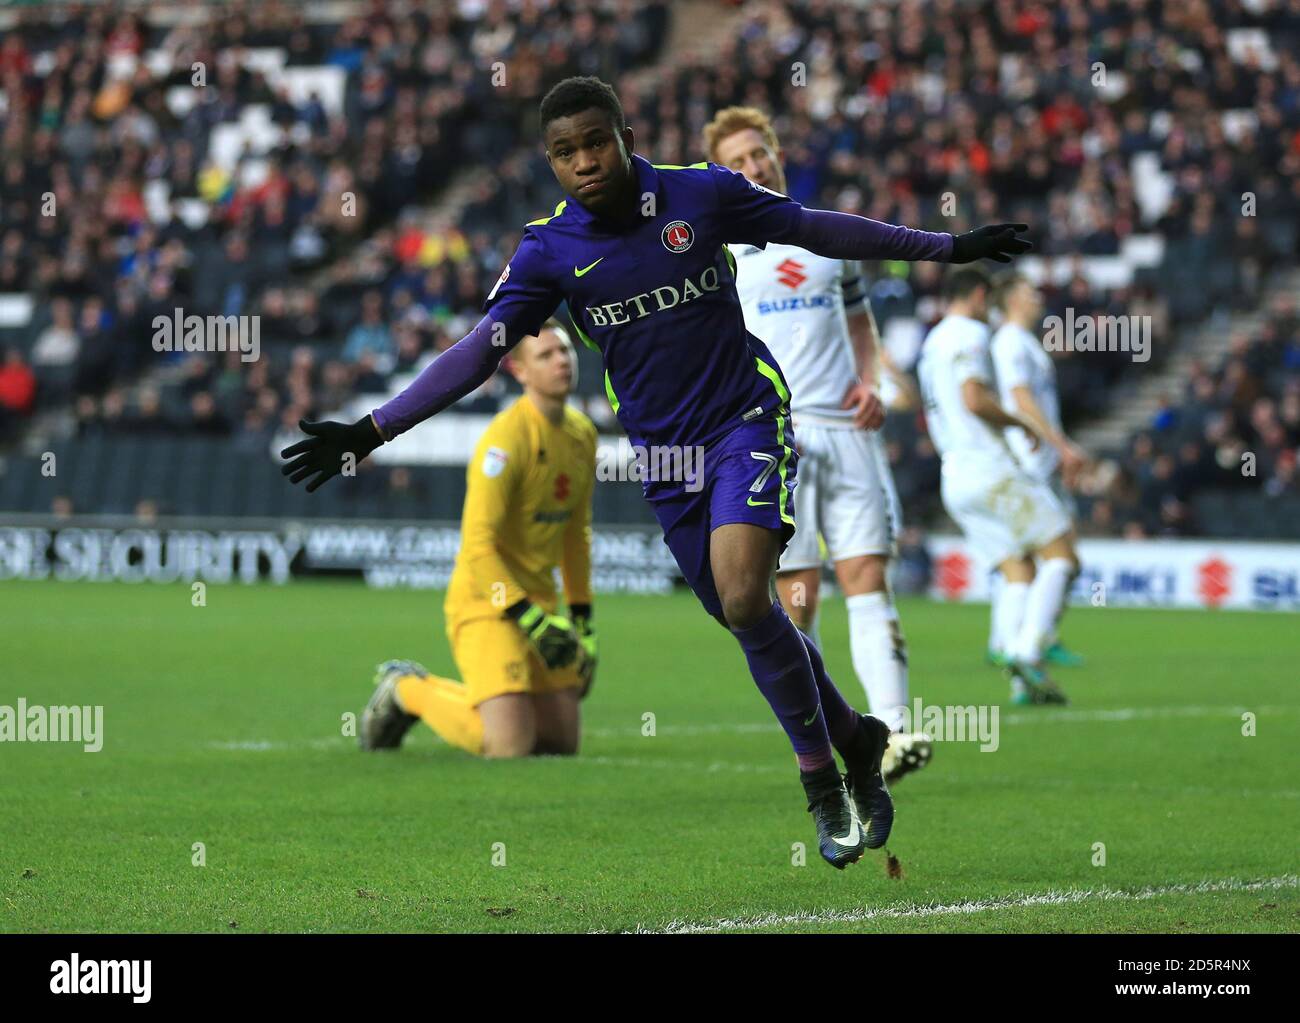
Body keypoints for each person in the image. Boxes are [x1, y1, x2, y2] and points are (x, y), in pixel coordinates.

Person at [282, 76, 1031, 868]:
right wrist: (370, 428)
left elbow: (813, 228)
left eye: (595, 143)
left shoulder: (700, 197)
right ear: (551, 163)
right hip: (667, 459)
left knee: (748, 596)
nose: (584, 163)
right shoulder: (548, 250)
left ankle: (818, 781)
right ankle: (858, 738)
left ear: (626, 137)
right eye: (565, 154)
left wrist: (945, 248)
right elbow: (479, 351)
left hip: (747, 416)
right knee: (754, 621)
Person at [705, 106, 931, 783]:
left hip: (847, 428)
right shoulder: (720, 255)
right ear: (722, 173)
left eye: (759, 152)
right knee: (797, 595)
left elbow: (861, 326)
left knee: (868, 576)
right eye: (737, 161)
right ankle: (829, 737)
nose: (753, 167)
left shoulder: (822, 236)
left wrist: (873, 383)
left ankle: (891, 732)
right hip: (777, 435)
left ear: (776, 153)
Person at [359, 321, 598, 758]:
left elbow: (575, 537)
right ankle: (407, 690)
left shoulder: (583, 434)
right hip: (487, 602)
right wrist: (529, 618)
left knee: (561, 744)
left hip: (539, 604)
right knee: (509, 746)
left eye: (565, 351)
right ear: (519, 371)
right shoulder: (504, 441)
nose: (562, 361)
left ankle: (494, 699)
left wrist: (583, 624)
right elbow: (478, 546)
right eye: (546, 355)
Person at [916, 269, 1079, 705]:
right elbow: (974, 397)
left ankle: (1017, 672)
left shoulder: (930, 342)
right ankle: (1028, 650)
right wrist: (1019, 423)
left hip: (954, 475)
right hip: (988, 468)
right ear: (980, 294)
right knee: (1062, 554)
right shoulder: (970, 332)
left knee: (1017, 570)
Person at [987, 273, 1089, 670]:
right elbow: (1019, 397)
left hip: (1038, 460)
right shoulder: (1010, 342)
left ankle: (1025, 638)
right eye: (1029, 292)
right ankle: (1025, 643)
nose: (1036, 298)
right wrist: (1060, 445)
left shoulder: (1024, 342)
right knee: (1054, 557)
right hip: (1028, 461)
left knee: (1040, 558)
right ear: (1011, 298)